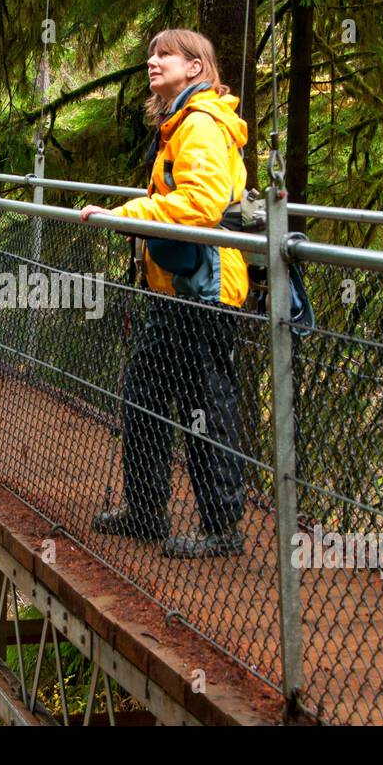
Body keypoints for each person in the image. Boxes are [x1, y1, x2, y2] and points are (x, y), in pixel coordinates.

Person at [80, 28, 248, 558]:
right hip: (177, 291)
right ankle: (147, 510)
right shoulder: (180, 123)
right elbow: (176, 197)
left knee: (205, 405)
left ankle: (221, 528)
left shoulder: (200, 124)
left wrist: (125, 216)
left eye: (165, 55)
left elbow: (200, 203)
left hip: (205, 289)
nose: (151, 62)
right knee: (144, 395)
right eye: (150, 54)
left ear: (196, 67)